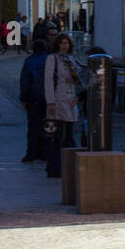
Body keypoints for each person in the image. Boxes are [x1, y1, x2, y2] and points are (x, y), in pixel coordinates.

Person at [44, 33, 82, 178]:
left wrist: (77, 96)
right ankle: (54, 167)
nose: (64, 46)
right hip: (58, 99)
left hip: (70, 99)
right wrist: (50, 101)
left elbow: (78, 80)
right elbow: (48, 80)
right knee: (56, 136)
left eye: (66, 43)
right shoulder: (52, 58)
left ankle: (68, 167)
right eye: (61, 43)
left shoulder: (71, 59)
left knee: (69, 135)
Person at [19, 37, 48, 162]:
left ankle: (31, 153)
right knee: (47, 126)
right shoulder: (49, 60)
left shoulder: (29, 62)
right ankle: (45, 152)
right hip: (48, 98)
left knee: (33, 127)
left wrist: (24, 99)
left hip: (33, 98)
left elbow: (24, 82)